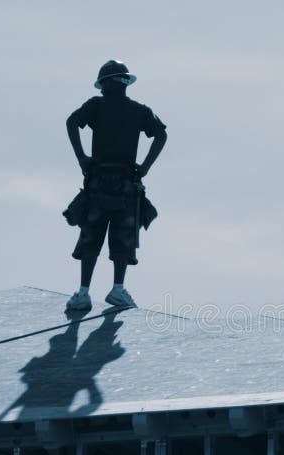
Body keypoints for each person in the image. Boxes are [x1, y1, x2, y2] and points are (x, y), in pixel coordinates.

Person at [64, 59, 167, 310]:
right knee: (123, 237)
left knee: (91, 235)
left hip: (99, 181)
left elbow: (71, 122)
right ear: (124, 83)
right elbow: (161, 134)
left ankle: (83, 293)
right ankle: (117, 289)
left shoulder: (96, 105)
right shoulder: (139, 110)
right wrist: (144, 168)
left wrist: (81, 158)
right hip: (126, 184)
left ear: (106, 84)